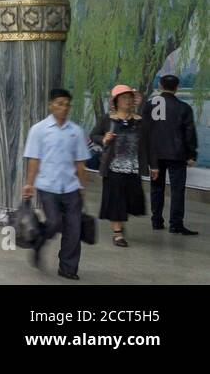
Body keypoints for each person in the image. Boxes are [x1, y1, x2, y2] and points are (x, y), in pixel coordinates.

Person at [23, 88, 92, 280]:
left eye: (67, 104)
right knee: (54, 222)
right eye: (59, 103)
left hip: (70, 187)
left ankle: (68, 267)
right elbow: (34, 160)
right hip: (47, 186)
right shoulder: (39, 130)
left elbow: (80, 163)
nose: (63, 108)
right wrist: (29, 184)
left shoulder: (76, 132)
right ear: (50, 105)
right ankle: (38, 243)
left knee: (74, 228)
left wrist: (82, 187)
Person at [90, 84, 147, 247]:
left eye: (130, 98)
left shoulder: (139, 121)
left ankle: (120, 222)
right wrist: (104, 139)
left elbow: (148, 144)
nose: (127, 101)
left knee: (133, 200)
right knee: (116, 200)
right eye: (123, 98)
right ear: (116, 102)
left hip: (132, 168)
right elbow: (93, 135)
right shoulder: (108, 119)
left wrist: (154, 166)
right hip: (113, 168)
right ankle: (117, 233)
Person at [143, 74, 199, 235]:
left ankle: (156, 221)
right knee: (177, 190)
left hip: (155, 154)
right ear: (177, 87)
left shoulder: (149, 105)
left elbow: (145, 130)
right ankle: (176, 224)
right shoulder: (184, 108)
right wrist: (191, 154)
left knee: (156, 188)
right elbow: (189, 133)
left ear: (160, 86)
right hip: (177, 154)